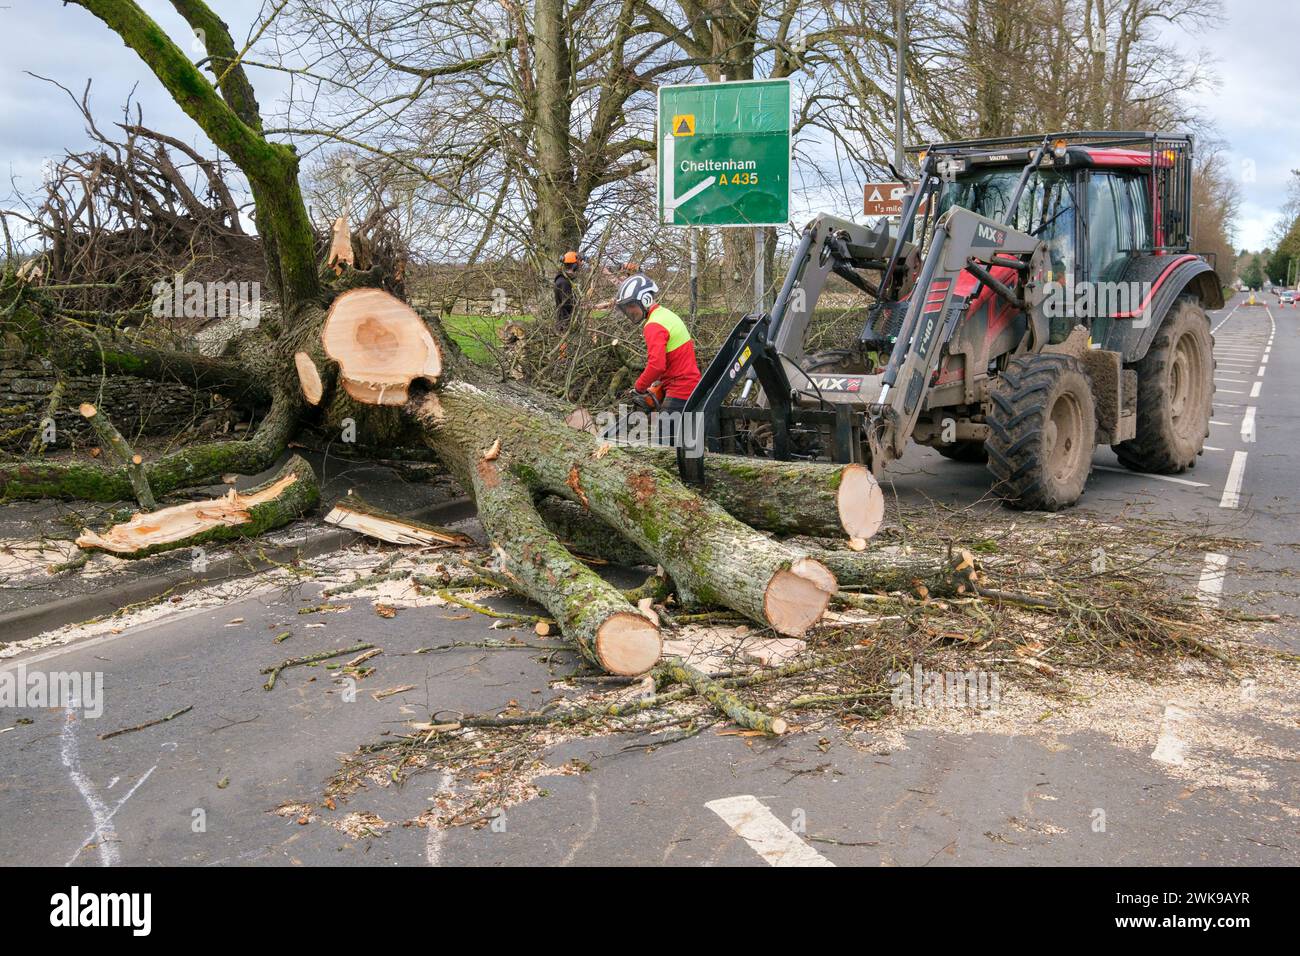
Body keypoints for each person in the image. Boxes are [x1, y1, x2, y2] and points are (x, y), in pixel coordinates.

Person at [613, 275, 701, 444]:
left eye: (631, 305)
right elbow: (670, 361)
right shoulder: (664, 315)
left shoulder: (653, 325)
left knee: (662, 445)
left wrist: (638, 388)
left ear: (645, 299)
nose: (630, 311)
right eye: (627, 307)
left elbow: (657, 365)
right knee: (679, 444)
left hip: (680, 389)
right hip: (686, 384)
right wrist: (657, 384)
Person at [554, 250, 583, 329]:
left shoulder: (564, 280)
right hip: (566, 325)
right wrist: (582, 305)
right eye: (577, 265)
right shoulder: (564, 282)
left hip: (567, 323)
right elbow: (569, 303)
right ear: (574, 266)